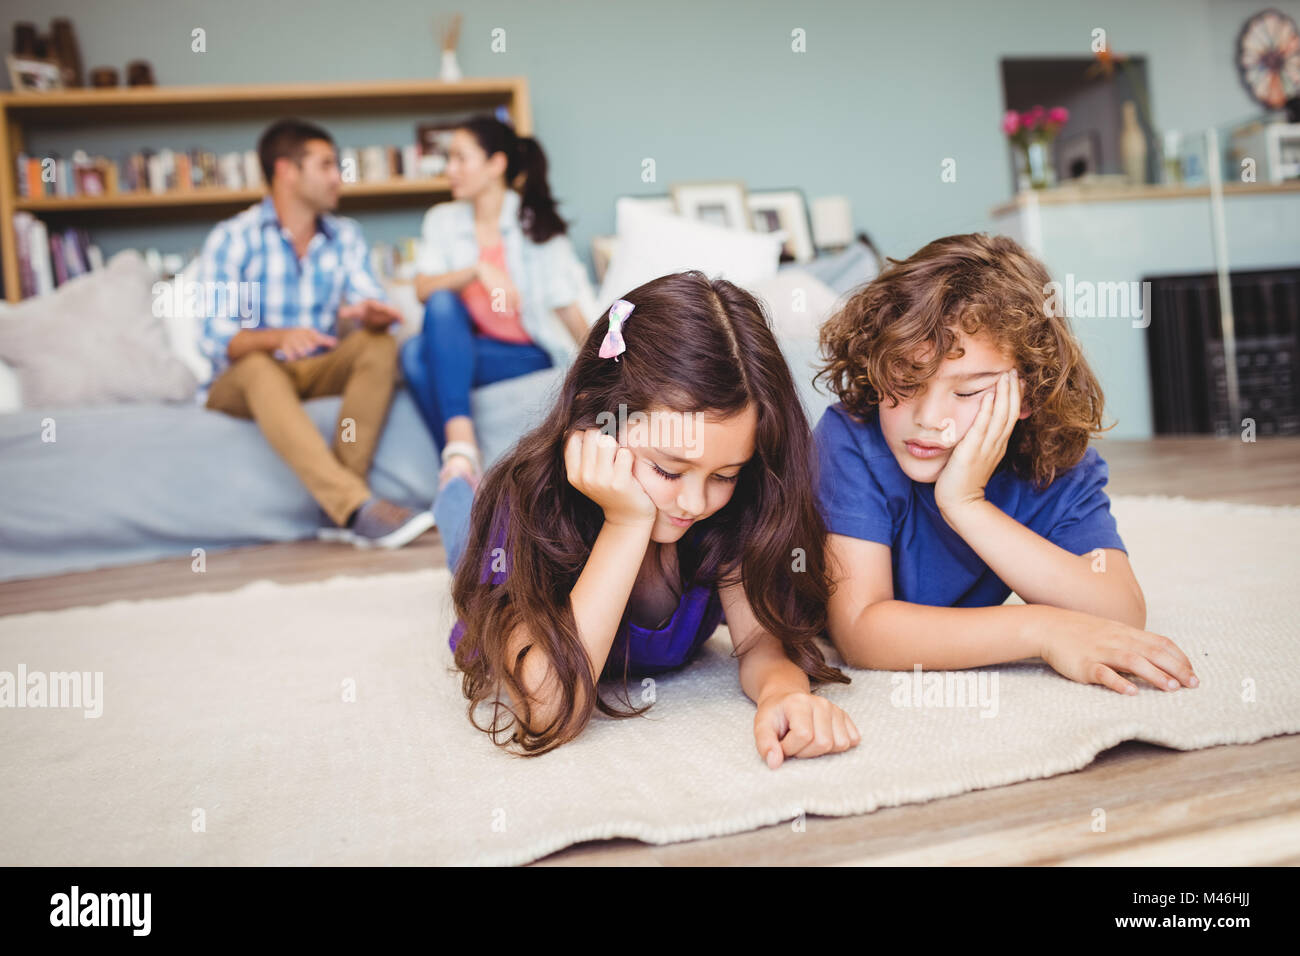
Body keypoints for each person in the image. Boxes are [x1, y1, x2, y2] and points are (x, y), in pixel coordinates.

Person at [437, 271, 860, 765]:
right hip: (491, 526)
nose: (694, 503)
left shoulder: (731, 508)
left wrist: (783, 694)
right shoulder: (528, 509)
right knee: (461, 531)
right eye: (667, 468)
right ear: (597, 423)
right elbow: (548, 707)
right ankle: (456, 479)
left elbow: (758, 643)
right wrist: (626, 524)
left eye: (724, 474)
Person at [813, 233, 1199, 695]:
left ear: (1030, 393)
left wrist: (966, 504)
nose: (928, 419)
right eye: (904, 379)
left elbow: (1120, 615)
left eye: (968, 391)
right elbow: (861, 633)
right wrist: (1042, 630)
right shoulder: (851, 439)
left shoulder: (1055, 462)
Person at [196, 118, 433, 549]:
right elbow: (215, 339)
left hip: (315, 368)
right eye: (326, 165)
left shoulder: (346, 236)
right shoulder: (233, 239)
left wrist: (374, 315)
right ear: (286, 171)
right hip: (243, 382)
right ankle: (355, 504)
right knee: (255, 365)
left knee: (376, 345)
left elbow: (371, 303)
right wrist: (275, 338)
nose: (337, 177)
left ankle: (337, 509)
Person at [401, 115, 589, 492]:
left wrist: (600, 364)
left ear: (495, 165)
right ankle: (464, 456)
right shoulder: (442, 220)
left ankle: (461, 465)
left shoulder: (534, 223)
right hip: (468, 348)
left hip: (526, 353)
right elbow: (422, 288)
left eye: (460, 158)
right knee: (435, 312)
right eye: (447, 159)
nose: (449, 169)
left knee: (417, 356)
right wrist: (478, 270)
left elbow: (566, 305)